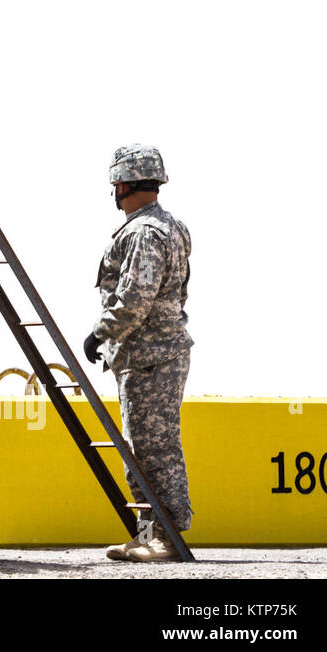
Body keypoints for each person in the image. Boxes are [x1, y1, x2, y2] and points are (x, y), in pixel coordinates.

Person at [82, 144, 193, 563]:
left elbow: (136, 297)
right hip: (147, 353)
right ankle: (146, 534)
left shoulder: (145, 232)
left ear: (123, 185)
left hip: (151, 356)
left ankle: (166, 538)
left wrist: (100, 332)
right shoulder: (170, 227)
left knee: (156, 450)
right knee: (140, 450)